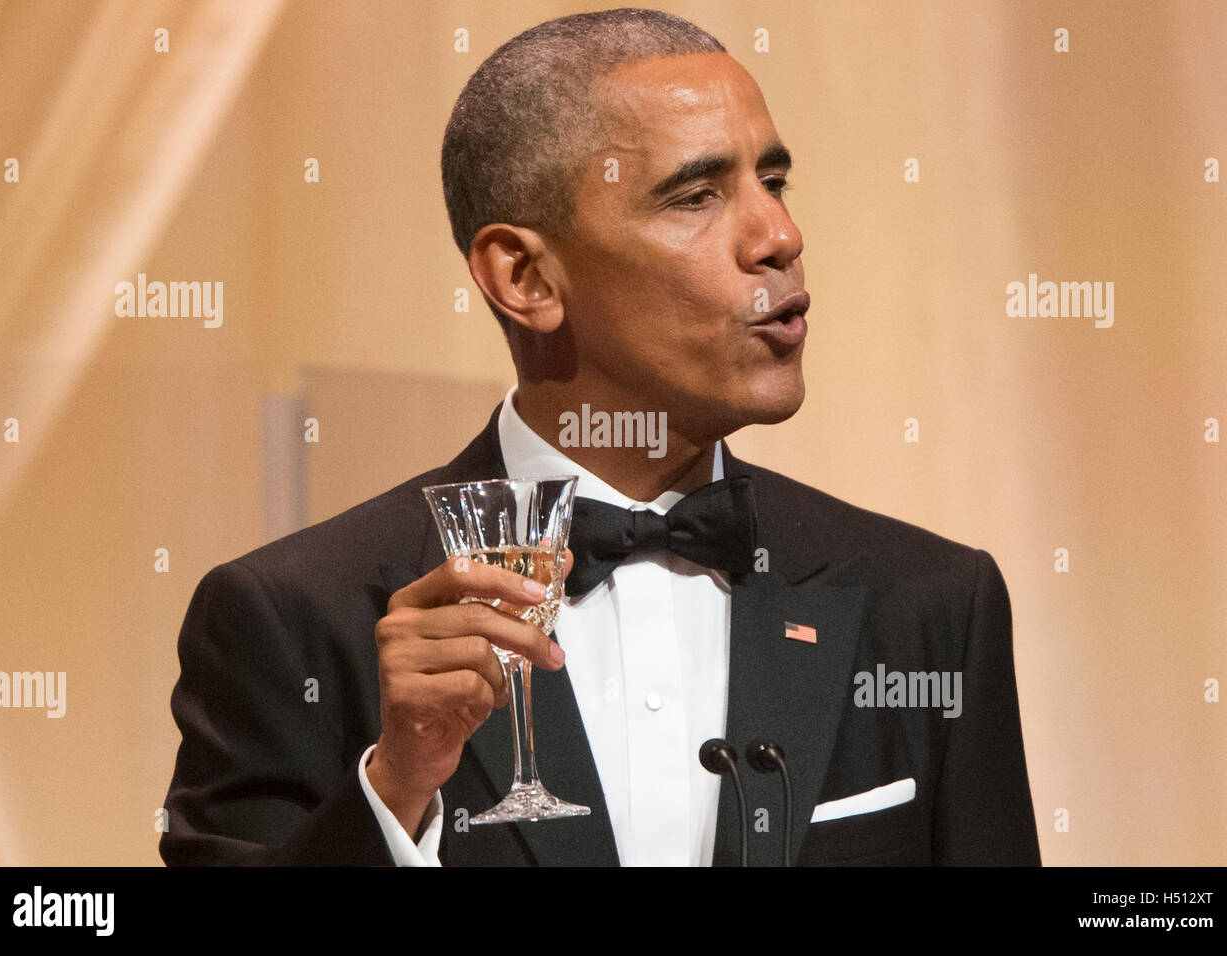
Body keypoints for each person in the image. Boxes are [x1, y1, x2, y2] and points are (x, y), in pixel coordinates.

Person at [161, 8, 1040, 866]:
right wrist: (395, 790)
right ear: (527, 277)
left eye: (772, 181)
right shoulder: (294, 621)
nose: (780, 235)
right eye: (696, 195)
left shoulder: (929, 605)